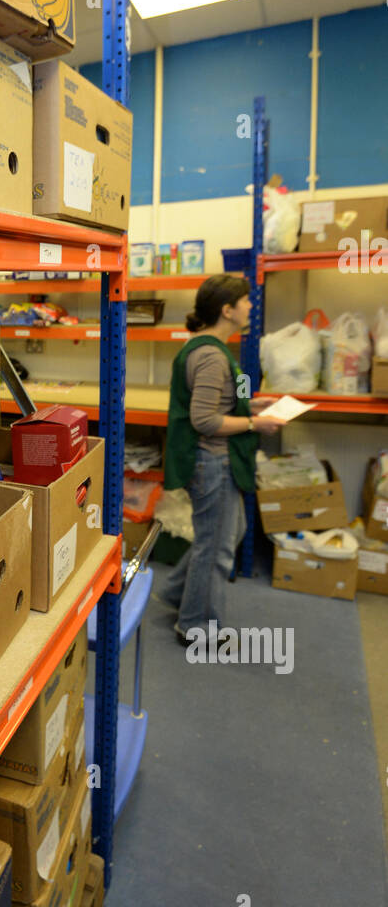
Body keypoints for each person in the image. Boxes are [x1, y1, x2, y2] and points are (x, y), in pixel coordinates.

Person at [162, 274, 283, 643]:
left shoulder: (212, 349)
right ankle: (195, 626)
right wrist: (254, 422)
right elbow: (205, 420)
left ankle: (177, 592)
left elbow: (220, 402)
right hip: (212, 462)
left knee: (226, 535)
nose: (251, 306)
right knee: (215, 547)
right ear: (227, 310)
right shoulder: (212, 356)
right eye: (246, 301)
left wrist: (253, 404)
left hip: (215, 460)